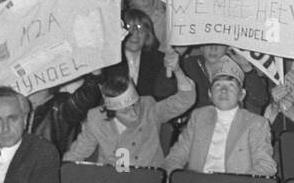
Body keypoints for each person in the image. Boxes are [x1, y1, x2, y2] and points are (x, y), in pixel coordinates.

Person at [64, 54, 196, 168]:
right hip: (112, 181)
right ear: (112, 112)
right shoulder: (96, 119)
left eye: (135, 105)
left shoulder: (149, 107)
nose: (134, 113)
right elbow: (78, 153)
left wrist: (177, 70)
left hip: (149, 180)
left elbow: (185, 100)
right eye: (125, 111)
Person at [163, 59, 277, 176]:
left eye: (231, 86)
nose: (223, 90)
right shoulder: (199, 117)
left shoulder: (256, 123)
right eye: (218, 85)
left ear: (241, 95)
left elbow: (266, 166)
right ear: (210, 94)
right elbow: (175, 156)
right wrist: (175, 181)